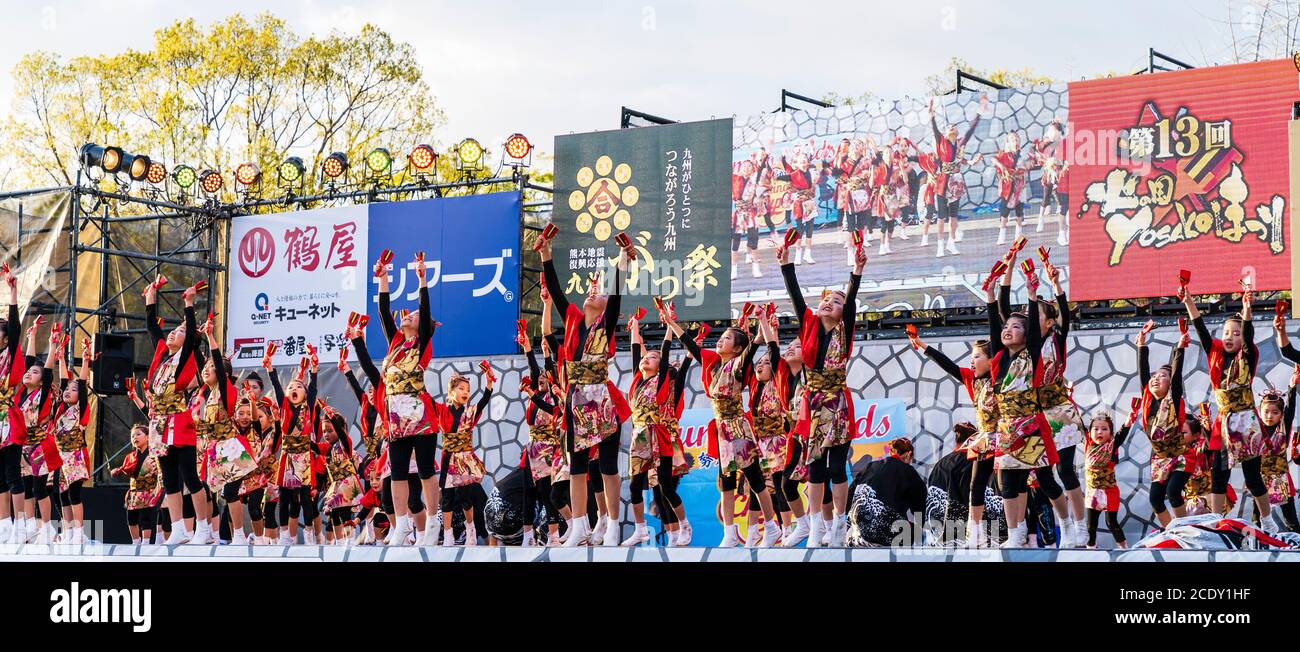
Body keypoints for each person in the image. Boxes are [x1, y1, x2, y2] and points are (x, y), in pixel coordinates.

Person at [538, 237, 630, 546]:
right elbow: (555, 288)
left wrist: (622, 260)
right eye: (590, 291)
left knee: (606, 467)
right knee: (576, 466)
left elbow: (616, 293)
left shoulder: (605, 326)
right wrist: (546, 254)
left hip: (602, 404)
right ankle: (579, 525)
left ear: (605, 306)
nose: (593, 293)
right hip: (575, 403)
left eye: (598, 292)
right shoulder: (574, 320)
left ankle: (613, 524)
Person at [664, 308, 780, 547]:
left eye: (727, 338)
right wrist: (671, 322)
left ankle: (770, 527)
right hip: (722, 430)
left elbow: (755, 344)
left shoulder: (738, 364)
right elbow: (689, 343)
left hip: (738, 427)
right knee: (725, 483)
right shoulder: (713, 367)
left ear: (737, 349)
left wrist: (761, 325)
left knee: (756, 481)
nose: (721, 339)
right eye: (722, 336)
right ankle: (729, 533)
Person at [777, 232, 865, 547]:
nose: (830, 302)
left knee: (836, 467)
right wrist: (786, 262)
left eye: (837, 301)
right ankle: (815, 526)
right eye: (827, 299)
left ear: (844, 311)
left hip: (837, 404)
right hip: (813, 405)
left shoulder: (846, 327)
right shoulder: (810, 325)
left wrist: (855, 272)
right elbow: (796, 296)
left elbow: (852, 298)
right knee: (814, 469)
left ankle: (839, 523)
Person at [350, 252, 440, 545]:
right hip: (395, 419)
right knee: (397, 471)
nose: (409, 316)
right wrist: (384, 278)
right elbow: (383, 311)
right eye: (408, 316)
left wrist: (422, 278)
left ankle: (433, 523)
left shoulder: (421, 342)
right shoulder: (396, 344)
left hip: (420, 416)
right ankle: (401, 525)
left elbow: (424, 311)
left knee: (426, 470)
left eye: (412, 315)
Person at [986, 254, 1061, 547]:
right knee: (1009, 484)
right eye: (1008, 327)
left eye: (1016, 327)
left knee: (1045, 481)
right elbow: (996, 320)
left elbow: (1028, 328)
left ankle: (1067, 526)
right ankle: (1015, 533)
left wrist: (1032, 294)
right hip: (1006, 429)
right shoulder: (998, 357)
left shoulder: (1031, 353)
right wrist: (990, 294)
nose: (1008, 330)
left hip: (1030, 426)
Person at [908, 330, 999, 547]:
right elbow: (947, 364)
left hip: (1007, 437)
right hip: (986, 439)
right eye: (971, 357)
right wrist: (922, 345)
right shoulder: (971, 380)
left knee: (1007, 487)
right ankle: (974, 534)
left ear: (992, 359)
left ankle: (1024, 533)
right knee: (976, 487)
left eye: (977, 356)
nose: (972, 361)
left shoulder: (1001, 375)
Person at [1185, 279, 1267, 519]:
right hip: (1223, 422)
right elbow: (1200, 328)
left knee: (1253, 477)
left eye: (1236, 333)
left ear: (1243, 338)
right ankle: (1216, 519)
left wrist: (1248, 311)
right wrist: (1188, 300)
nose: (1230, 337)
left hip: (1246, 422)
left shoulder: (1248, 355)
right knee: (1219, 473)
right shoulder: (1216, 354)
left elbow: (1250, 338)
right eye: (1226, 333)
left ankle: (1268, 521)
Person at [623, 315, 691, 546]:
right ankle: (641, 529)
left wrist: (670, 325)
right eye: (646, 357)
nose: (646, 359)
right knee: (634, 486)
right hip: (640, 436)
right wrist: (634, 327)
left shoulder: (662, 381)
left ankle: (683, 526)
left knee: (665, 487)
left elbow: (666, 349)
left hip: (660, 435)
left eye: (653, 358)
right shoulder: (637, 382)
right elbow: (635, 351)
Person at [194, 319, 257, 544]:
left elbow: (219, 369)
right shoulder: (207, 395)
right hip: (215, 448)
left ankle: (239, 535)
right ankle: (211, 534)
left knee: (230, 492)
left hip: (229, 445)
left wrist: (210, 337)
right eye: (206, 367)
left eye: (212, 367)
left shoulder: (225, 388)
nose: (207, 370)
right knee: (212, 492)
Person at [1136, 323, 1190, 527]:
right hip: (1159, 459)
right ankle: (1171, 531)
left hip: (1180, 456)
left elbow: (1176, 376)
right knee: (1155, 499)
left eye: (1163, 376)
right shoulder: (1148, 400)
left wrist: (1180, 347)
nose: (1157, 378)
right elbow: (1143, 373)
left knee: (1173, 492)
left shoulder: (1173, 399)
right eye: (1155, 376)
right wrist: (1141, 345)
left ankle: (1185, 528)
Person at [436, 369, 494, 546]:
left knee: (465, 498)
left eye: (467, 390)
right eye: (461, 388)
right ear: (451, 391)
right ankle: (447, 535)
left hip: (465, 460)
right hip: (448, 459)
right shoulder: (442, 411)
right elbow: (426, 402)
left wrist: (489, 385)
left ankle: (471, 529)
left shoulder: (470, 412)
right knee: (446, 498)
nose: (465, 392)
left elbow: (483, 402)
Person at [265, 355, 319, 544]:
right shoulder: (284, 406)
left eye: (298, 387)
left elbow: (313, 387)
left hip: (303, 457)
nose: (294, 389)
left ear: (305, 392)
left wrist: (313, 368)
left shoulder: (309, 406)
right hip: (287, 457)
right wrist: (270, 368)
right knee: (285, 496)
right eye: (291, 387)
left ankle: (310, 533)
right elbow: (277, 387)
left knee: (305, 498)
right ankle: (285, 535)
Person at [13, 317, 57, 543]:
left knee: (40, 488)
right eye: (28, 372)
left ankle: (48, 528)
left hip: (40, 445)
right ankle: (31, 527)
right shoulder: (21, 395)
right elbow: (28, 361)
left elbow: (47, 370)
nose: (30, 373)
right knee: (27, 488)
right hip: (23, 447)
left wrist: (53, 345)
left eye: (35, 373)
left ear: (42, 382)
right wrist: (31, 336)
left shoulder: (42, 393)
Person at [50, 339, 94, 543]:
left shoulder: (81, 410)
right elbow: (63, 381)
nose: (68, 391)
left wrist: (85, 361)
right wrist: (59, 358)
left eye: (73, 390)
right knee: (62, 495)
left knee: (74, 494)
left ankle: (79, 532)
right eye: (67, 390)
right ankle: (67, 531)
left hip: (75, 455)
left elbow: (83, 384)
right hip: (60, 457)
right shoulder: (60, 410)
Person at [848, 438, 927, 546]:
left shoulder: (870, 466)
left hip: (858, 532)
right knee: (922, 535)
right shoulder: (908, 471)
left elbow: (849, 496)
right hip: (887, 534)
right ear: (909, 455)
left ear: (891, 451)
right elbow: (920, 508)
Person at [0, 267, 27, 543]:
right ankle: (4, 525)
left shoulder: (9, 352)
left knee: (12, 473)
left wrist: (12, 291)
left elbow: (16, 327)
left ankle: (20, 524)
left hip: (9, 420)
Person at [1082, 410, 1135, 548]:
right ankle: (1091, 550)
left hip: (1109, 492)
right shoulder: (1088, 443)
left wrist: (1128, 423)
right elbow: (1078, 423)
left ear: (1110, 433)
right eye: (1096, 429)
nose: (1100, 432)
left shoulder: (1112, 446)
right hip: (1092, 493)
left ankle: (1124, 549)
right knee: (1090, 526)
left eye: (1104, 429)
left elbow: (1121, 435)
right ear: (1090, 432)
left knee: (1111, 523)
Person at [111, 425, 162, 544]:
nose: (134, 437)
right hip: (134, 492)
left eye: (138, 434)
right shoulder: (130, 456)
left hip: (148, 492)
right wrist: (117, 471)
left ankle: (145, 543)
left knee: (145, 519)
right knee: (131, 519)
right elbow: (126, 469)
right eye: (132, 436)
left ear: (148, 437)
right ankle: (136, 542)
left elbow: (160, 471)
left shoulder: (154, 454)